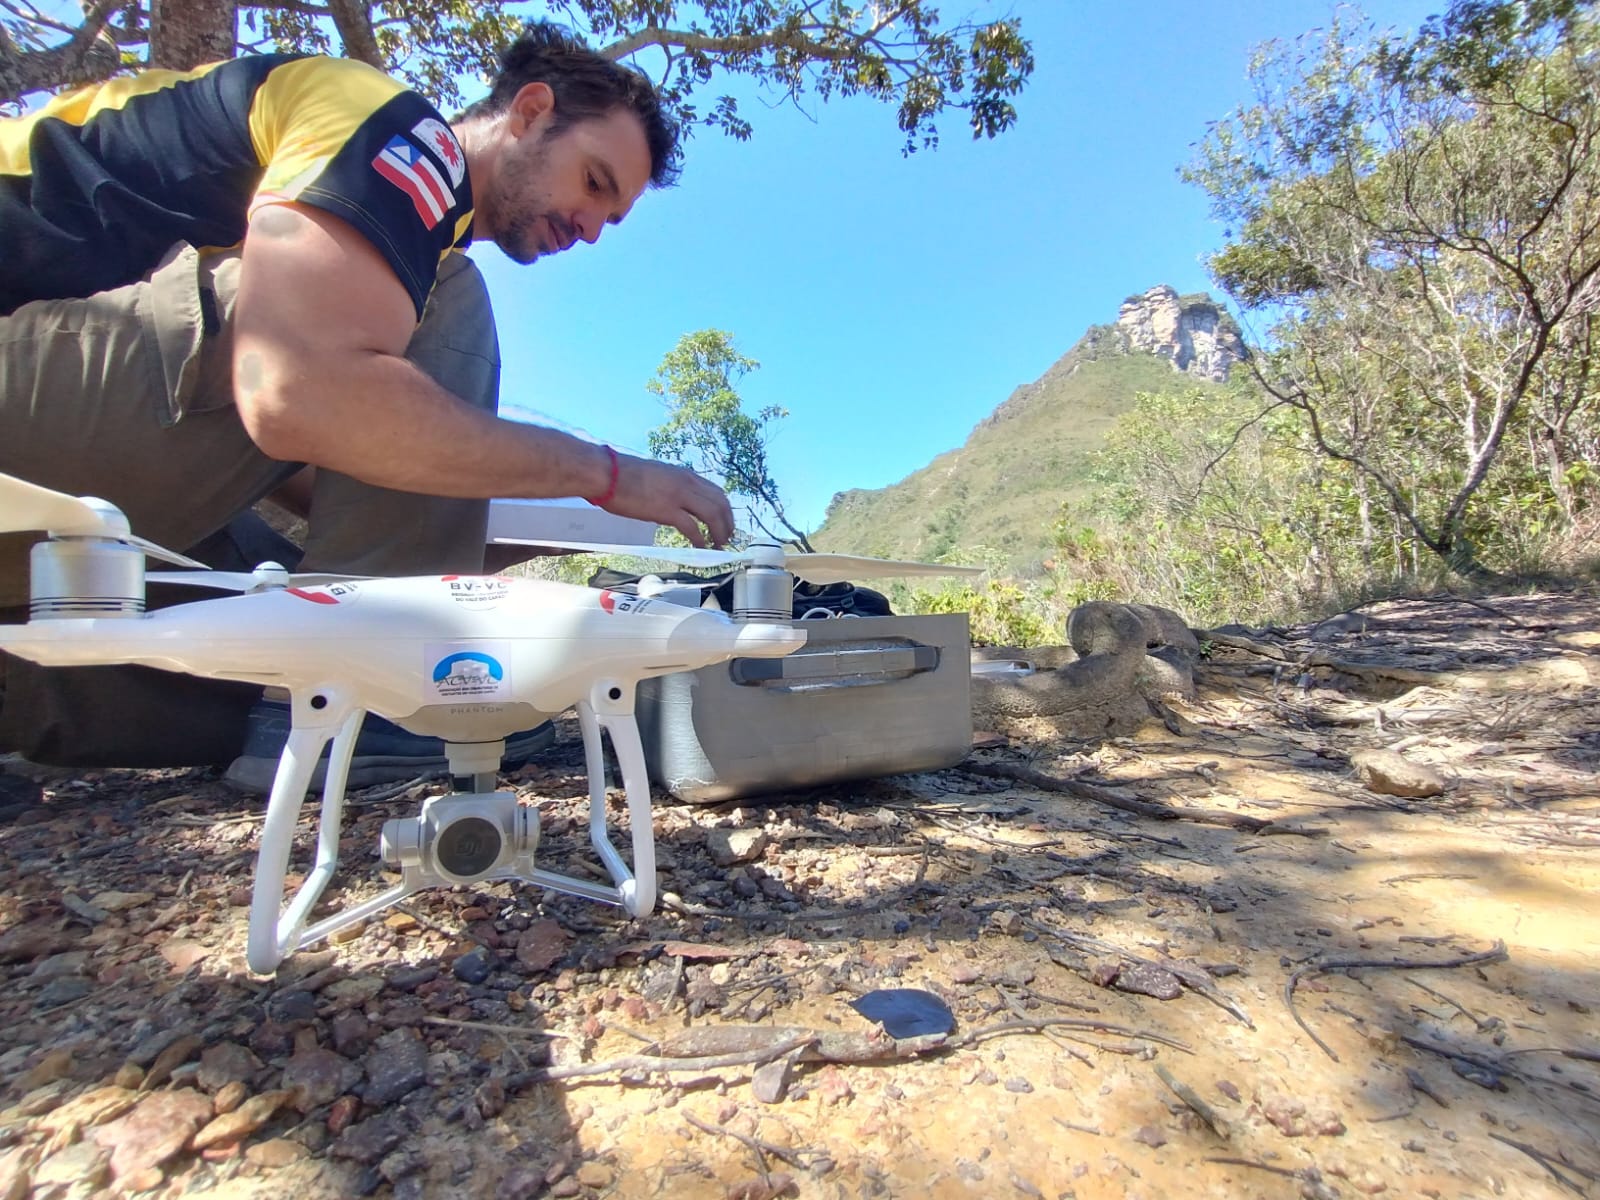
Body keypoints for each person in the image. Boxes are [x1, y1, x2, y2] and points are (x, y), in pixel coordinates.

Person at [0, 23, 733, 787]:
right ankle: (380, 705)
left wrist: (478, 536)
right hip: (32, 405)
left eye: (608, 221)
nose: (588, 230)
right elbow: (295, 392)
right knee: (445, 292)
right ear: (529, 111)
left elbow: (269, 443)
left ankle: (30, 684)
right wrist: (605, 475)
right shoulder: (388, 125)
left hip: (55, 487)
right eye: (593, 182)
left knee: (263, 651)